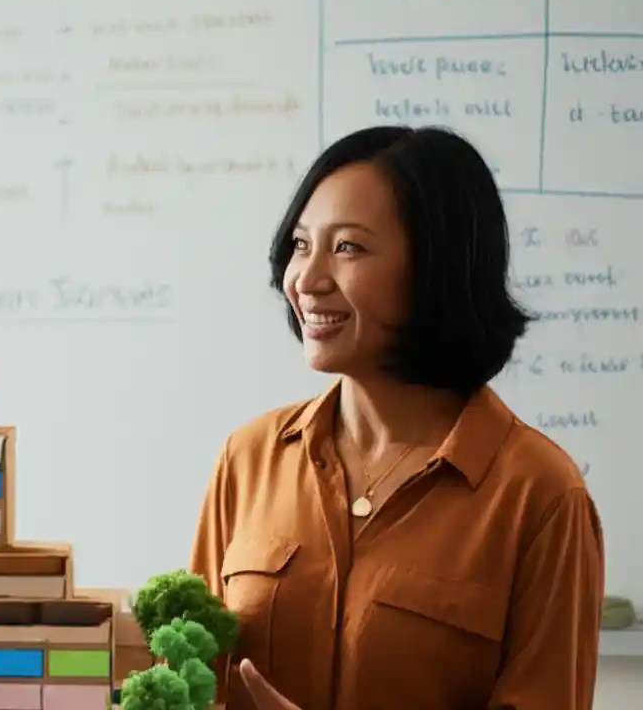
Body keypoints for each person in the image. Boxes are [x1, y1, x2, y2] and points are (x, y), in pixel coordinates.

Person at [190, 126, 604, 710]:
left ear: (435, 267)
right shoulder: (249, 457)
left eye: (349, 248)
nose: (306, 281)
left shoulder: (540, 495)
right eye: (302, 245)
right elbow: (188, 674)